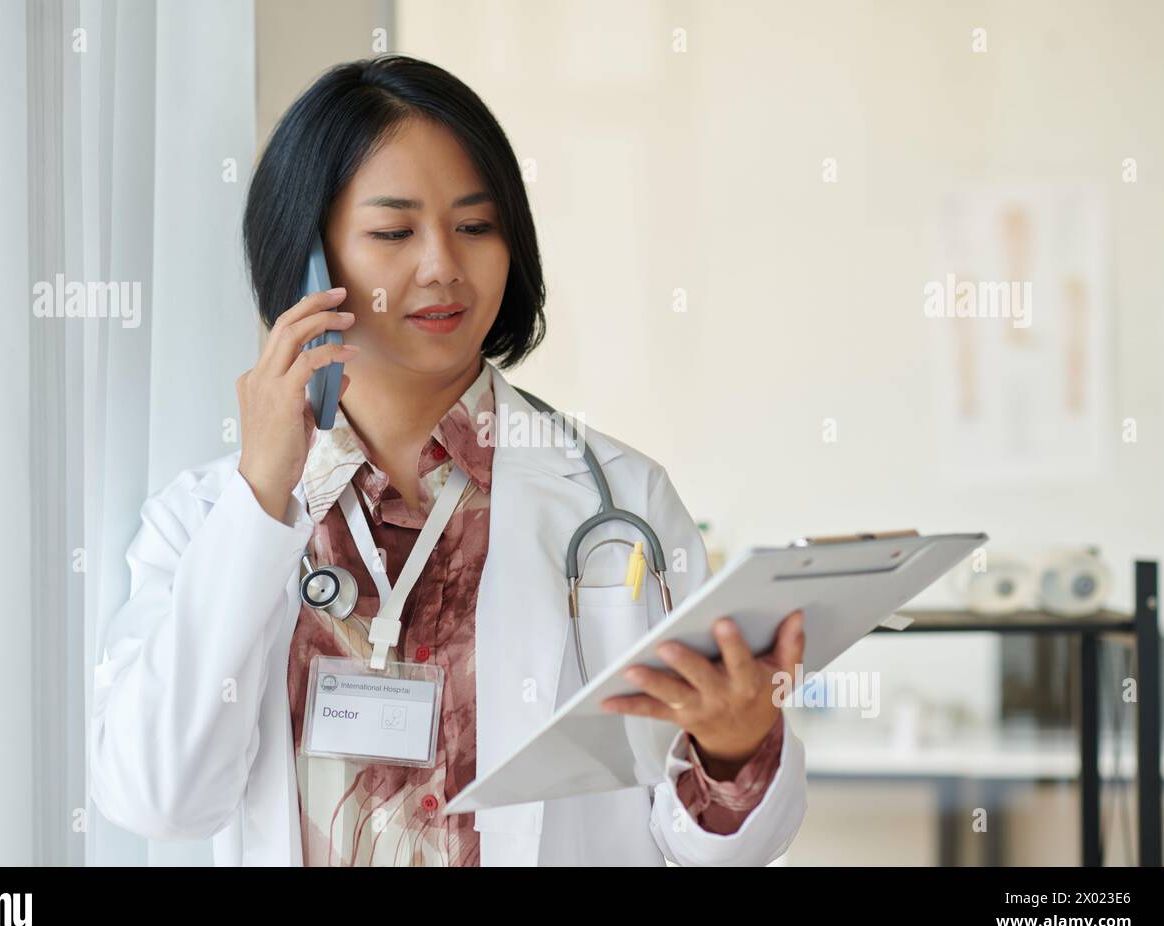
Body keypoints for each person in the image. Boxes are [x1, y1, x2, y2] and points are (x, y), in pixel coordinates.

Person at [91, 54, 807, 866]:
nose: (443, 266)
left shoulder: (620, 506)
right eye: (394, 231)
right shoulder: (209, 518)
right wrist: (260, 496)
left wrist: (734, 749)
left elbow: (703, 849)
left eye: (475, 226)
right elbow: (159, 799)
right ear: (308, 261)